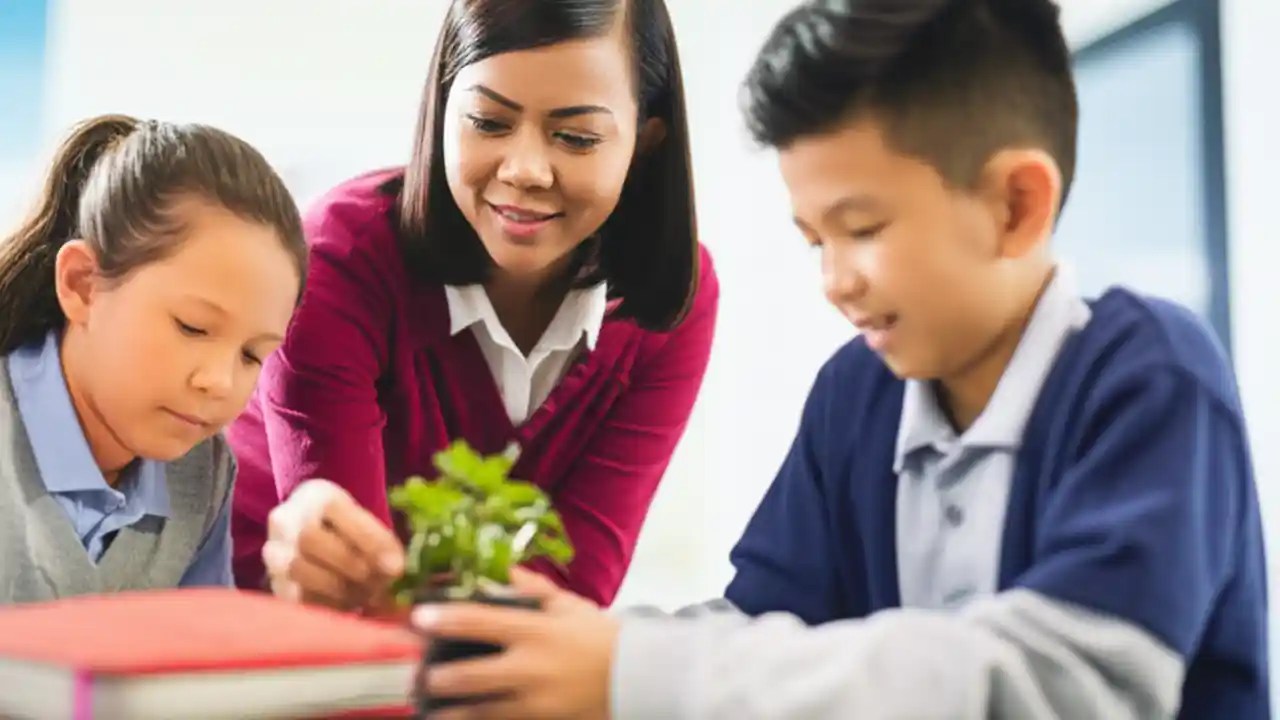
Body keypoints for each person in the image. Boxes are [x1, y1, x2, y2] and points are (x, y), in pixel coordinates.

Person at [402, 1, 1269, 718]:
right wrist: (561, 656)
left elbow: (1067, 680)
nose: (833, 282)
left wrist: (634, 672)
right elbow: (759, 628)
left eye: (861, 230)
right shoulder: (857, 393)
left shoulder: (1150, 374)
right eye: (814, 239)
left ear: (1016, 205)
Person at [229, 0, 717, 609]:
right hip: (256, 627)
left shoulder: (671, 304)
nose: (525, 170)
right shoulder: (338, 257)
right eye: (488, 123)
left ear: (645, 143)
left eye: (576, 137)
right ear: (443, 109)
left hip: (451, 669)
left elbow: (574, 586)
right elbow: (354, 581)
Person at [0, 114, 306, 604]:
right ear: (82, 285)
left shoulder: (200, 471)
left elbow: (195, 662)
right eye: (192, 327)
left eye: (252, 354)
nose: (220, 383)